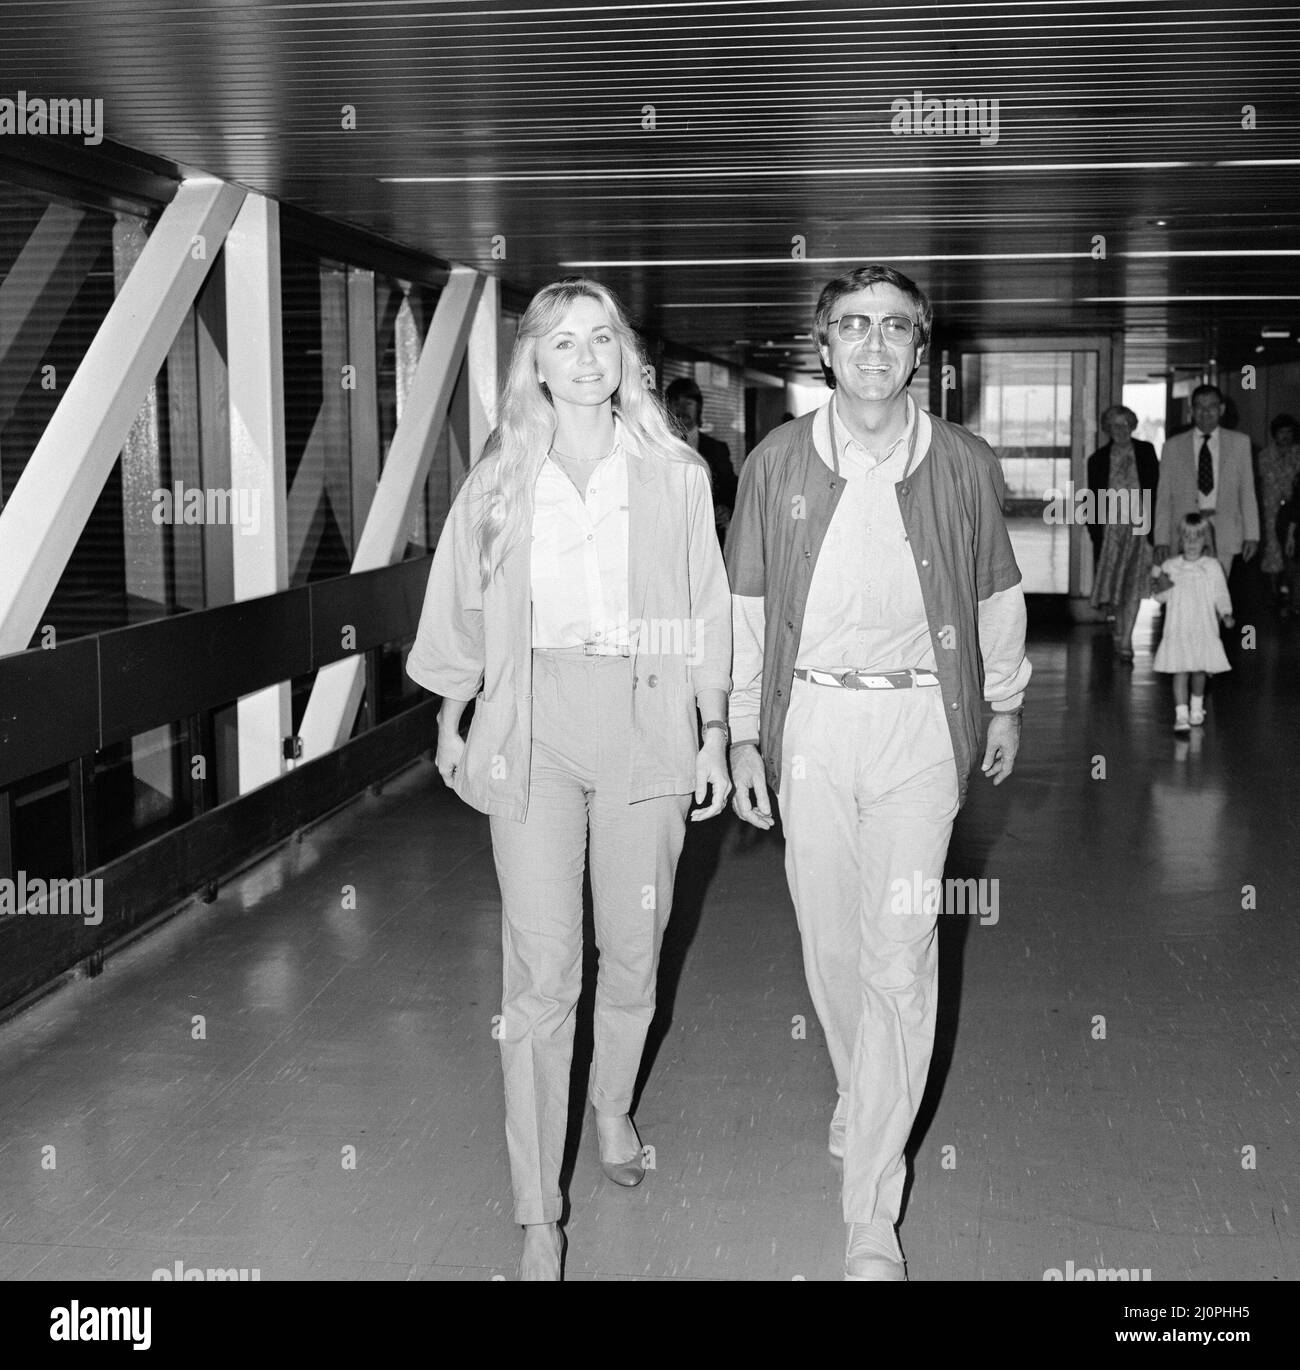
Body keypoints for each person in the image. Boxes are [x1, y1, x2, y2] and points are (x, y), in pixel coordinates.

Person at [406, 278, 733, 1281]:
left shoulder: (672, 473)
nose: (586, 356)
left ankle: (611, 1102)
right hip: (532, 724)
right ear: (535, 363)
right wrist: (453, 716)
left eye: (602, 338)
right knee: (542, 971)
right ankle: (537, 1208)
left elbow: (706, 608)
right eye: (563, 341)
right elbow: (460, 601)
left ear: (624, 357)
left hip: (643, 720)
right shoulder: (502, 475)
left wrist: (714, 728)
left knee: (632, 950)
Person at [725, 264, 1031, 1281]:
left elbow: (994, 593)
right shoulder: (774, 462)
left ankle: (871, 1212)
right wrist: (737, 734)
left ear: (918, 349)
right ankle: (863, 1091)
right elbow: (743, 612)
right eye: (851, 326)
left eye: (893, 327)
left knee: (898, 952)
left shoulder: (962, 462)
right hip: (809, 717)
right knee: (831, 943)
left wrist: (1003, 699)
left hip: (917, 723)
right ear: (823, 347)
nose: (871, 344)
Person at [1153, 384, 1259, 579]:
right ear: (1191, 411)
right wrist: (1161, 539)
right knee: (1187, 594)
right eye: (1199, 407)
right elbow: (1163, 497)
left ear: (1221, 409)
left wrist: (1251, 535)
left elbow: (1247, 492)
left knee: (1217, 594)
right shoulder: (1172, 447)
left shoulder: (1240, 443)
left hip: (1225, 532)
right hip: (1185, 534)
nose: (1205, 412)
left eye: (1211, 406)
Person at [1087, 404, 1159, 661]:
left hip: (1141, 530)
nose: (1121, 429)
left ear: (1132, 426)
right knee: (1114, 585)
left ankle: (1127, 638)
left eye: (1125, 424)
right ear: (1107, 428)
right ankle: (1120, 628)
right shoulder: (1096, 460)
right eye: (1115, 425)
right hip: (1111, 534)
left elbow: (1157, 492)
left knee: (1134, 584)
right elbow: (1091, 502)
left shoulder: (1146, 452)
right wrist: (1095, 533)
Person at [1151, 513, 1233, 732]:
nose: (1192, 543)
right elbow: (1160, 598)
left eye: (1197, 538)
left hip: (1203, 628)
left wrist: (1226, 613)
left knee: (1199, 671)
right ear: (1180, 540)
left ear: (1206, 541)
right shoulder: (1171, 566)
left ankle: (1197, 706)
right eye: (1187, 538)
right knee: (1180, 670)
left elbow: (1221, 594)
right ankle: (1181, 714)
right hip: (1178, 629)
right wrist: (1160, 585)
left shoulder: (1213, 566)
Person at [665, 376, 739, 546]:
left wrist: (727, 508)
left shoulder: (718, 449)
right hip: (671, 539)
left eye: (688, 404)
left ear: (698, 408)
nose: (682, 410)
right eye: (676, 403)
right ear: (667, 408)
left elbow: (730, 487)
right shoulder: (657, 448)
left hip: (710, 540)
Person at [1256, 413, 1300, 610]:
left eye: (1289, 433)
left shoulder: (1298, 453)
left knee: (1293, 548)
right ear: (1275, 434)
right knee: (1273, 546)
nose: (1286, 437)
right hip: (1272, 506)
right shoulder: (1265, 455)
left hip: (1295, 507)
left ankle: (1291, 591)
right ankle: (1275, 592)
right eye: (1282, 433)